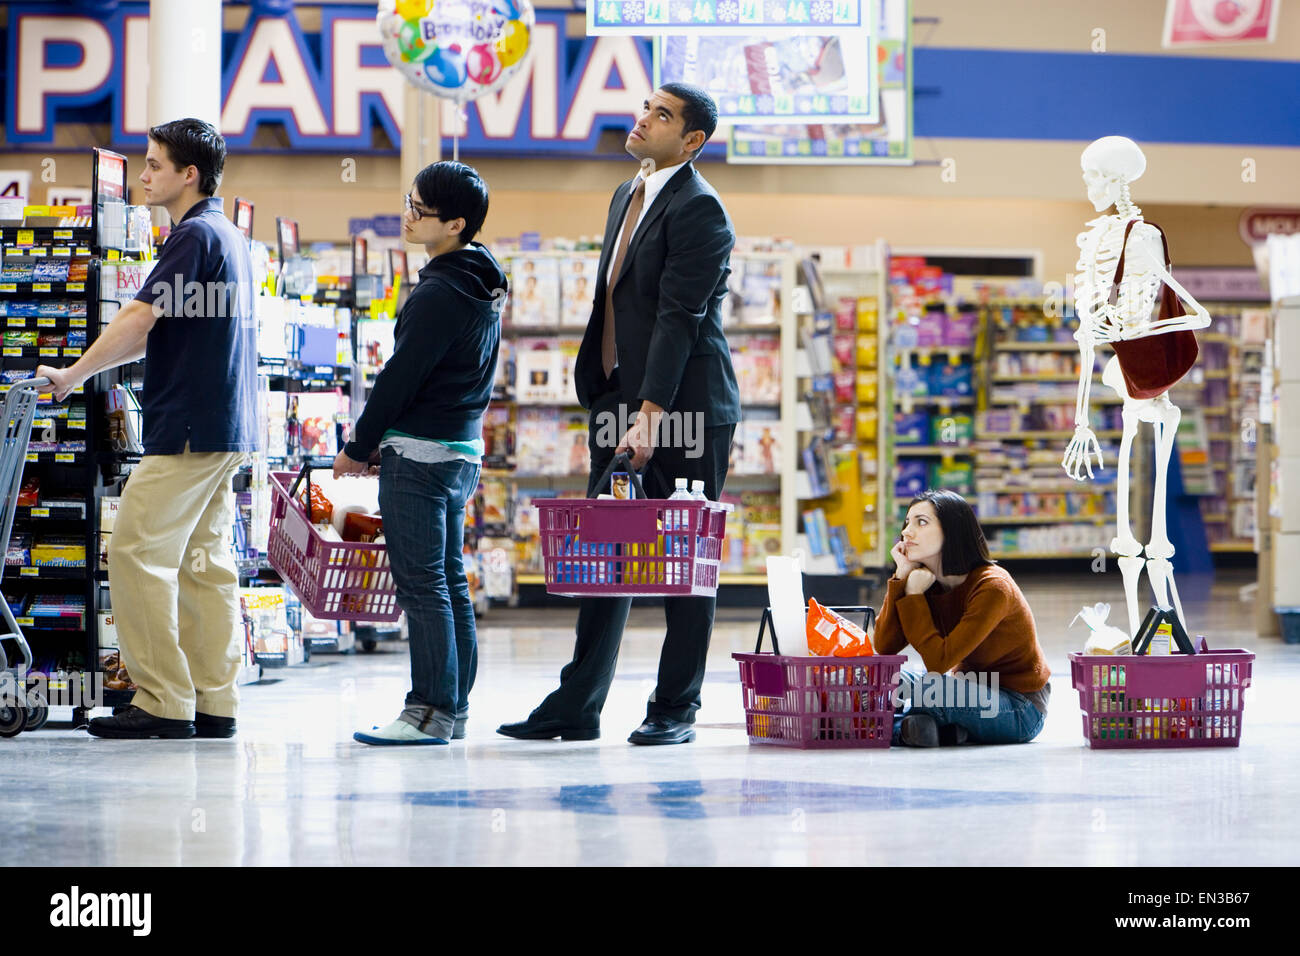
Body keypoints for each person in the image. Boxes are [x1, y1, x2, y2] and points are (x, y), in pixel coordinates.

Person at [498, 83, 741, 746]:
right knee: (602, 557)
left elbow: (679, 318)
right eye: (645, 106)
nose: (644, 118)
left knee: (684, 563)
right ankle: (577, 705)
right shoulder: (626, 193)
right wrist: (613, 397)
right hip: (620, 402)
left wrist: (651, 413)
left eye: (662, 114)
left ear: (692, 141)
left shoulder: (702, 212)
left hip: (684, 409)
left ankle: (675, 708)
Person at [37, 118, 258, 739]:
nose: (144, 175)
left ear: (190, 175)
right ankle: (216, 700)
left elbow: (139, 319)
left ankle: (162, 700)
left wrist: (74, 374)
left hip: (189, 427)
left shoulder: (191, 237)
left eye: (155, 164)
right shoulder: (229, 234)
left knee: (134, 551)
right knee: (203, 564)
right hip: (227, 426)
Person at [335, 161, 504, 746]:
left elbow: (399, 379)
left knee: (422, 583)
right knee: (447, 579)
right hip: (460, 451)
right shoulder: (482, 282)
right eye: (409, 202)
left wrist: (357, 446)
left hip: (420, 452)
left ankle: (428, 710)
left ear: (455, 223)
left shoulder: (439, 289)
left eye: (419, 210)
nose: (407, 216)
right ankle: (451, 706)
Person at [874, 489, 1051, 747]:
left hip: (1020, 707)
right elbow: (884, 645)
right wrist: (900, 578)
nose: (907, 532)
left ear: (952, 531)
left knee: (928, 689)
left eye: (921, 522)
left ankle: (893, 728)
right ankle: (941, 730)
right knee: (882, 677)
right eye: (907, 522)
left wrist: (912, 595)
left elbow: (938, 663)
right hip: (966, 689)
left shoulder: (992, 586)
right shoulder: (928, 582)